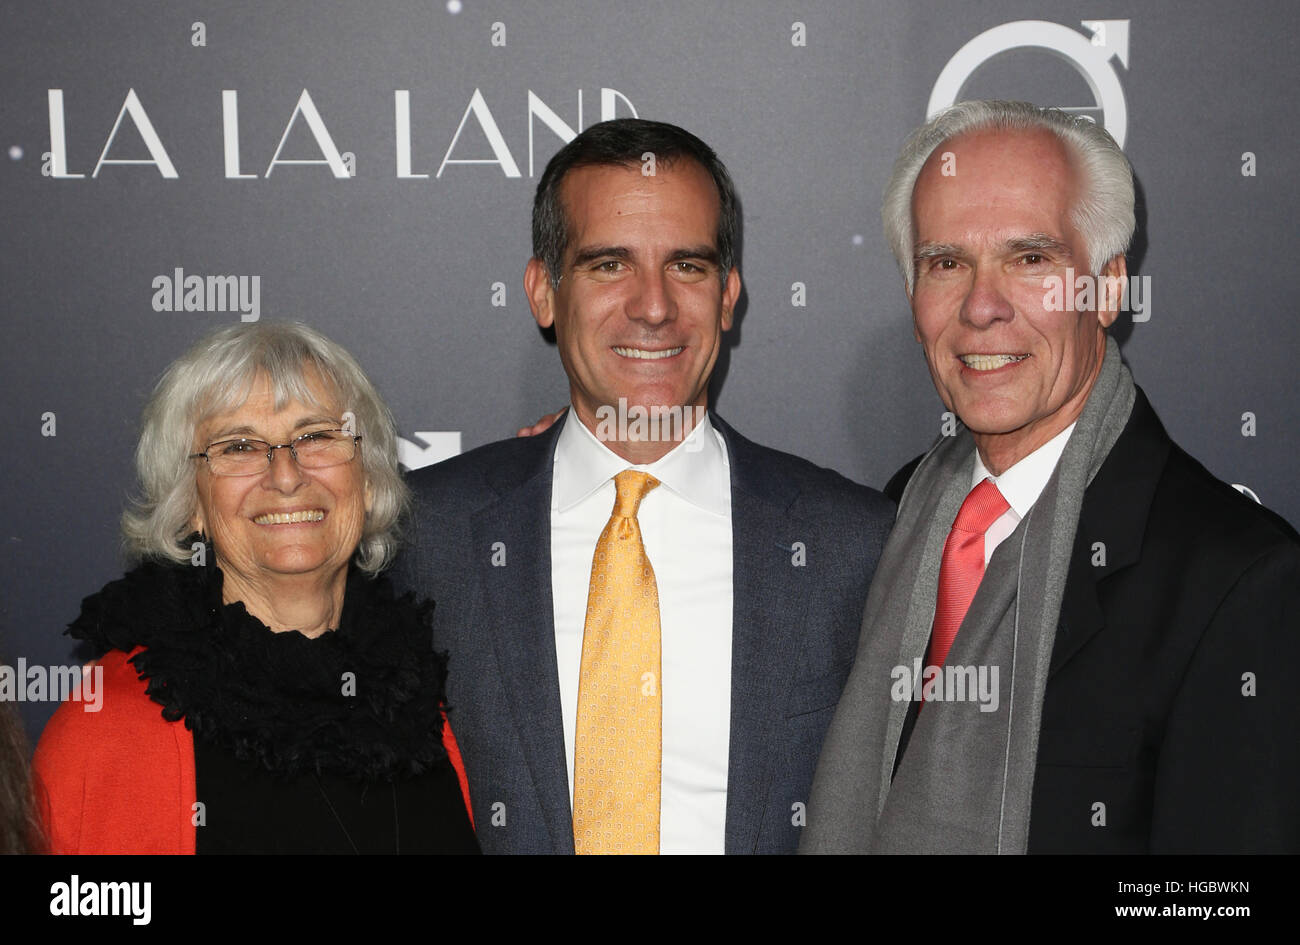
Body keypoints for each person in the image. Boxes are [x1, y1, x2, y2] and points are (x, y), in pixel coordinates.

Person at [803, 100, 1300, 854]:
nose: (981, 306)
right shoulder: (900, 512)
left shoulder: (1234, 577)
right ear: (914, 302)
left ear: (1105, 290)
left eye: (1030, 259)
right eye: (946, 263)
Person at [394, 118, 893, 854]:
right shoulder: (424, 532)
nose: (653, 306)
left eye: (687, 266)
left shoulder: (852, 543)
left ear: (728, 295)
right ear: (542, 293)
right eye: (608, 265)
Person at [33, 322, 479, 854]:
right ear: (191, 502)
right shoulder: (108, 731)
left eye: (316, 436)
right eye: (239, 446)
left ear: (368, 478)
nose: (286, 475)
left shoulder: (436, 694)